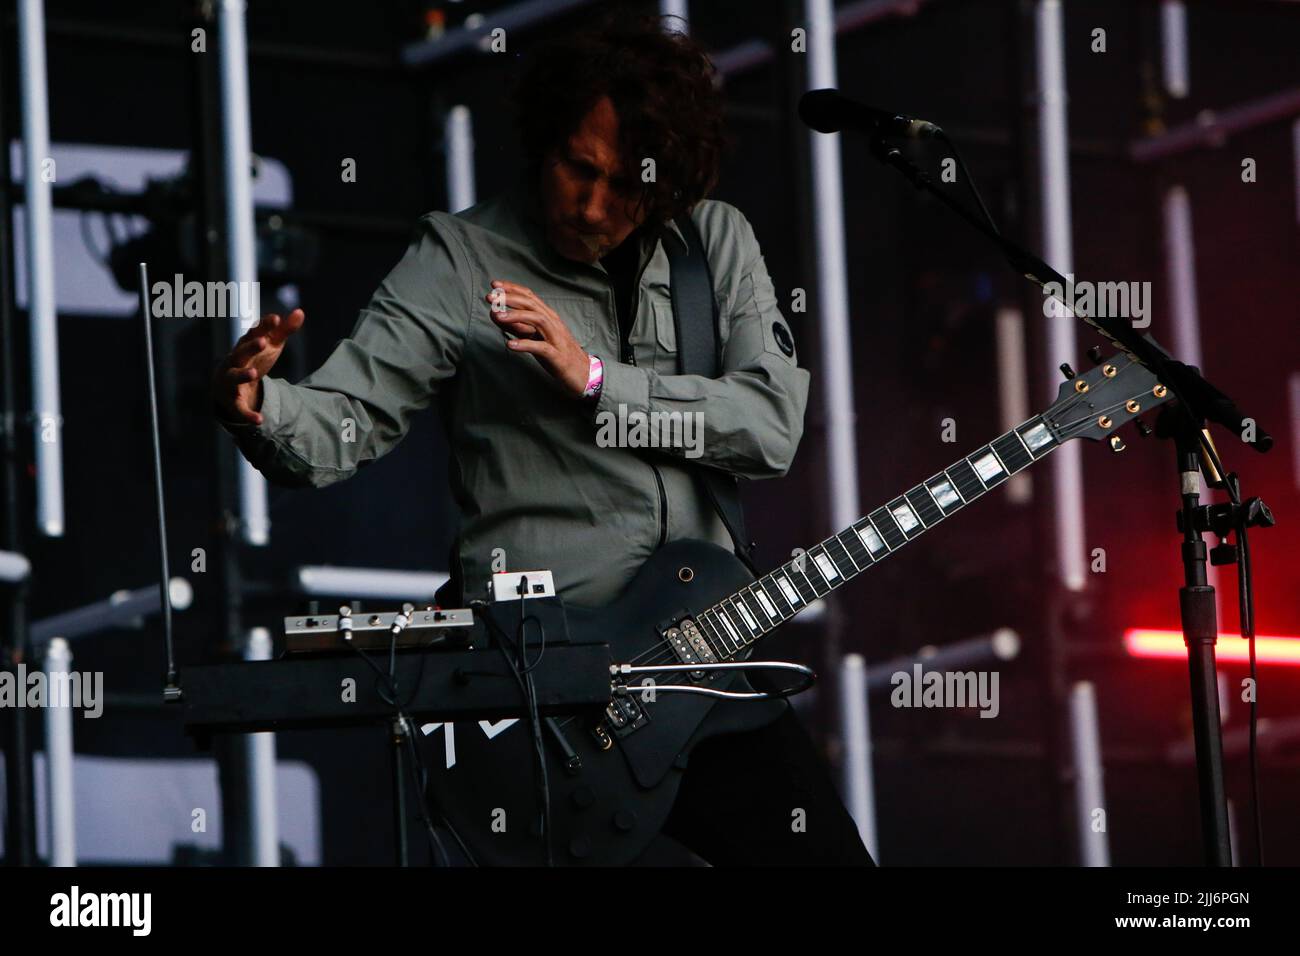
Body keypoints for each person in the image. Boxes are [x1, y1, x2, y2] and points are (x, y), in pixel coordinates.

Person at [212, 14, 873, 867]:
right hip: (545, 691)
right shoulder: (460, 257)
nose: (594, 206)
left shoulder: (717, 242)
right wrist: (260, 407)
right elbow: (345, 423)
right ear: (543, 141)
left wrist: (599, 381)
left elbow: (771, 426)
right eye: (576, 168)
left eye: (625, 187)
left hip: (700, 664)